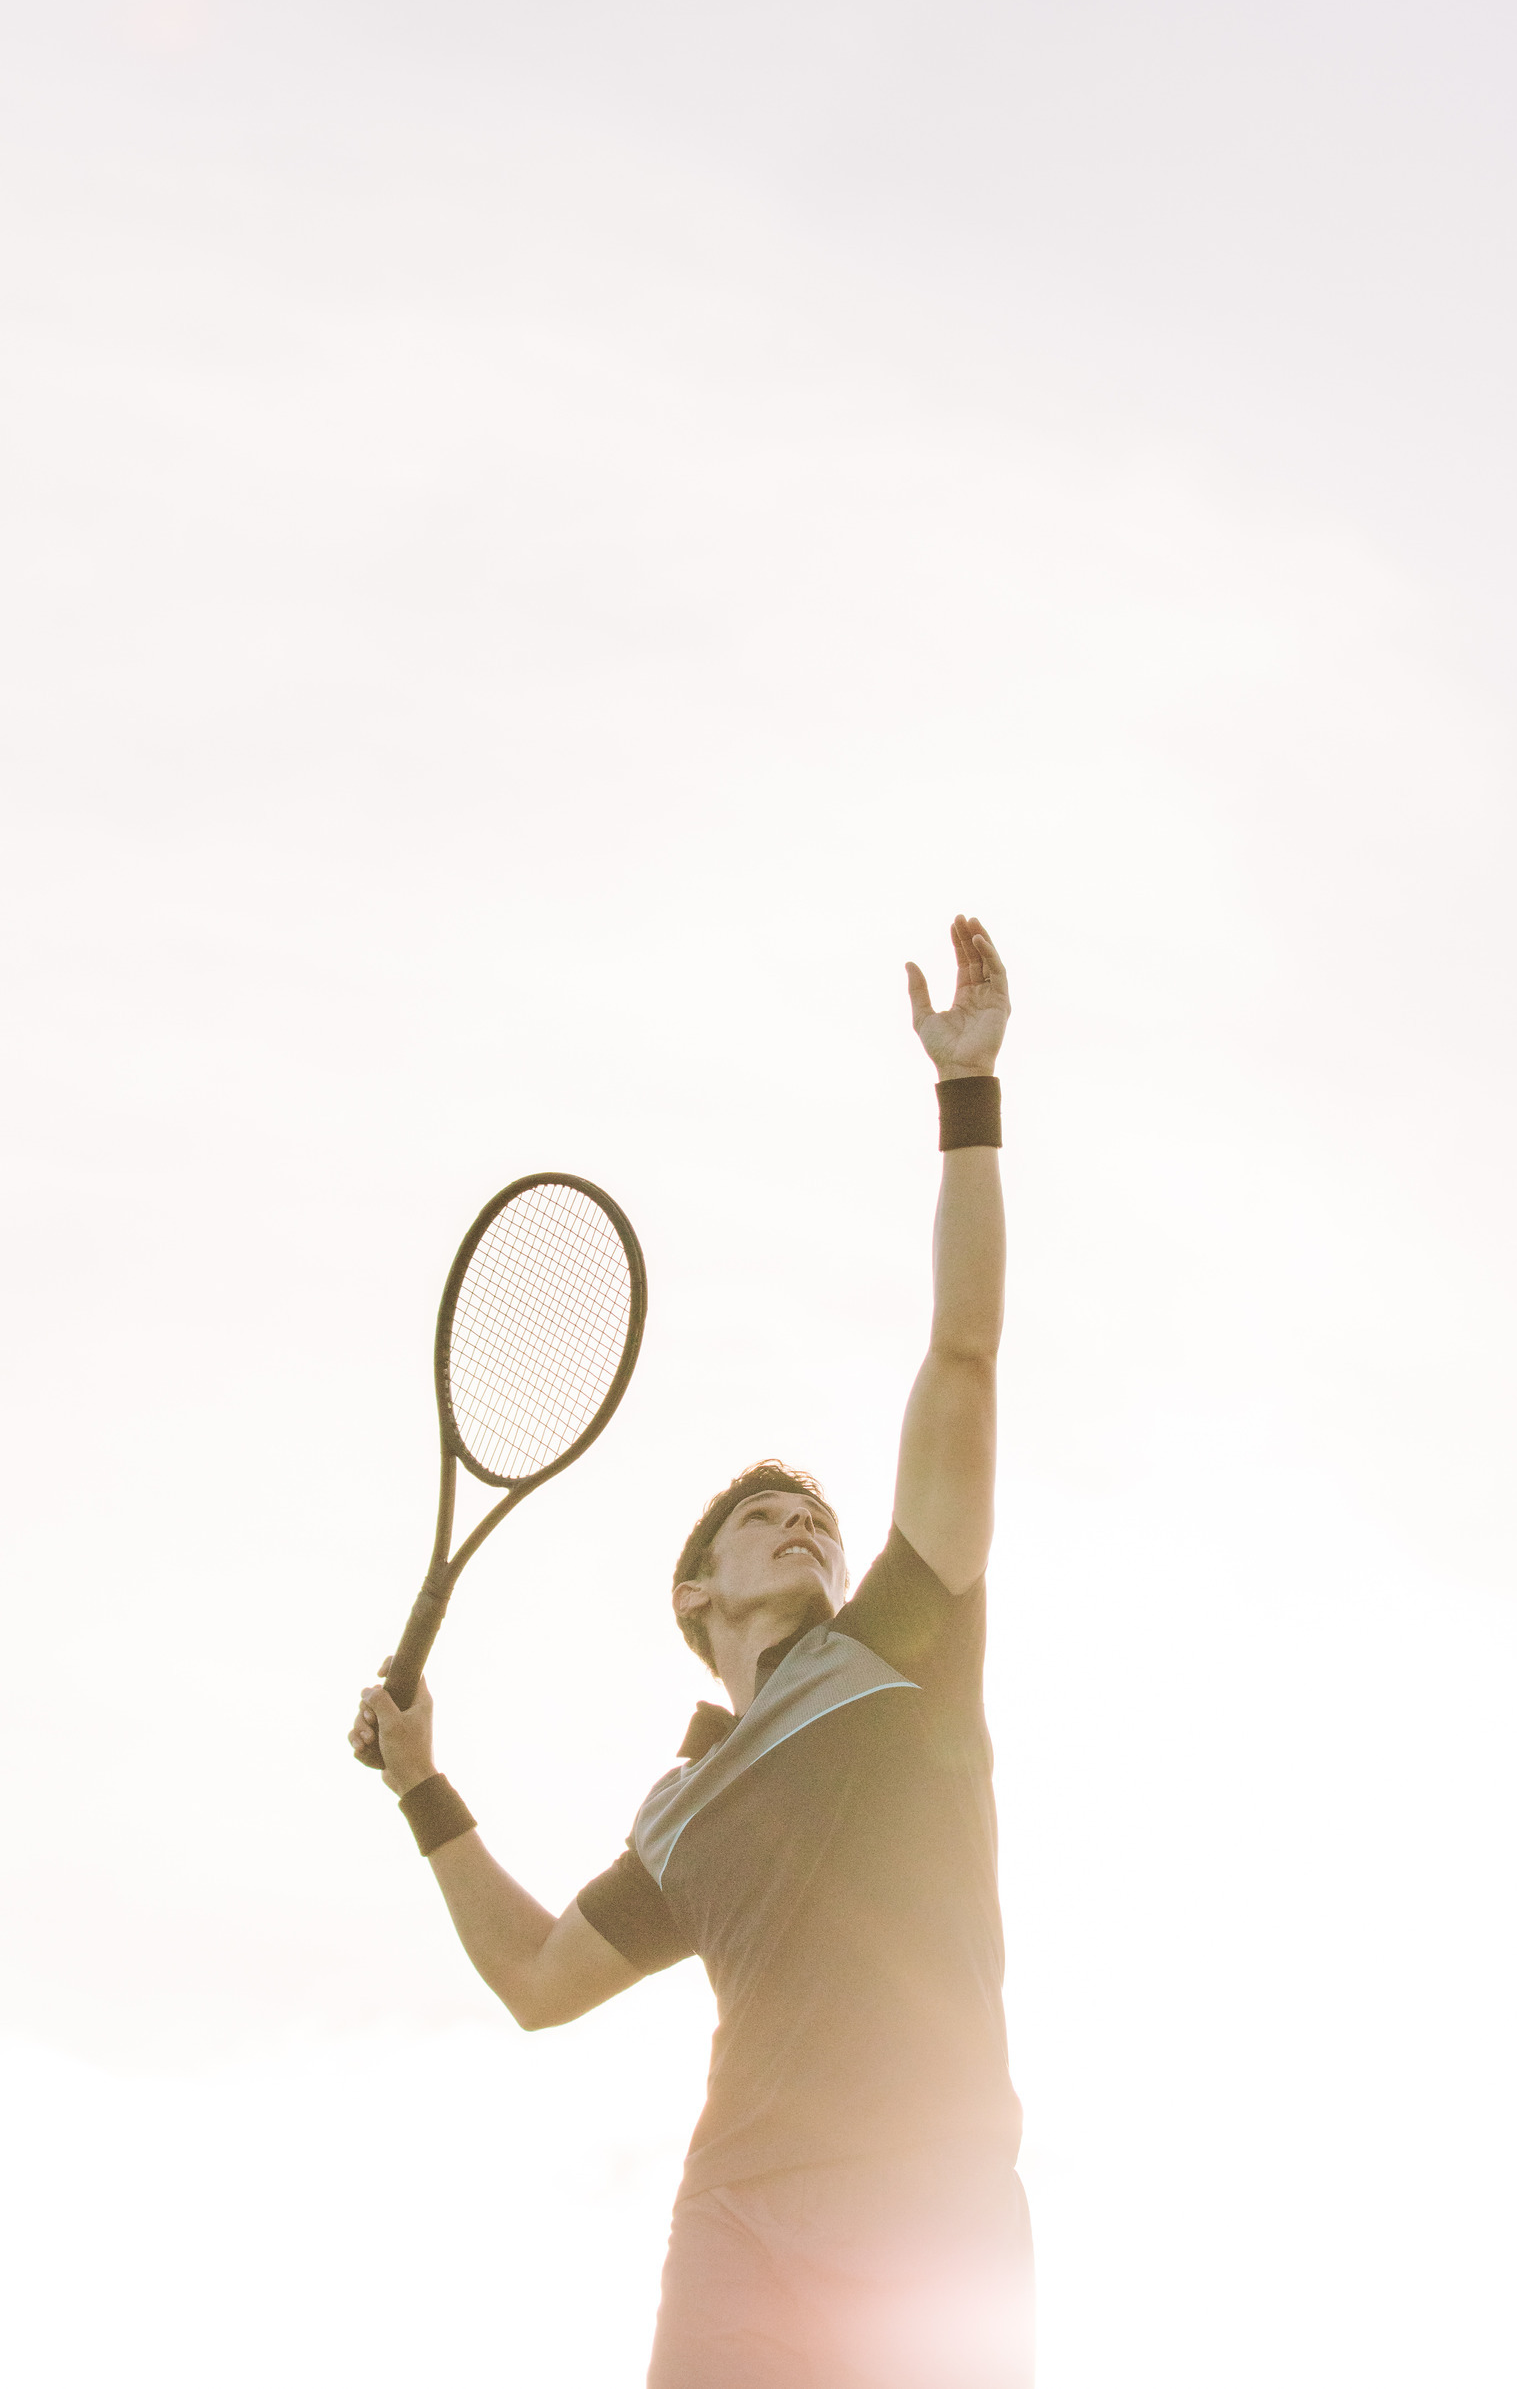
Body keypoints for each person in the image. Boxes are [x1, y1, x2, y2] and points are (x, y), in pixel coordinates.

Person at [350, 916, 1029, 2389]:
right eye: (766, 1519)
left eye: (818, 1523)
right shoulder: (679, 1812)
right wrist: (423, 1790)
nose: (807, 1529)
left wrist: (966, 1096)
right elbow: (538, 1978)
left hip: (935, 2205)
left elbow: (963, 1359)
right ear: (696, 1589)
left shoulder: (905, 1641)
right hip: (739, 2223)